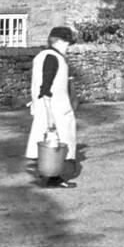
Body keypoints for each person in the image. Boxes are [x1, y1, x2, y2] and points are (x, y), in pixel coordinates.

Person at [25, 26, 79, 185]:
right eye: (68, 43)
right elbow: (45, 88)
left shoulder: (46, 56)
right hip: (54, 110)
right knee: (57, 144)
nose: (69, 47)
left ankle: (49, 176)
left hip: (51, 108)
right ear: (60, 41)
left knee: (50, 144)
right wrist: (50, 117)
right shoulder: (51, 58)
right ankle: (52, 178)